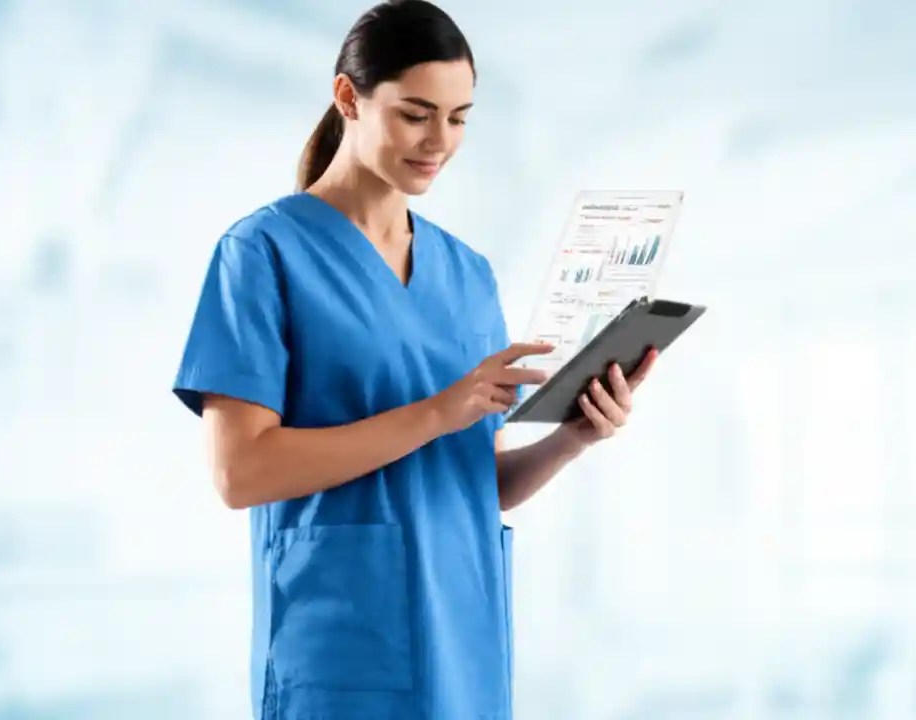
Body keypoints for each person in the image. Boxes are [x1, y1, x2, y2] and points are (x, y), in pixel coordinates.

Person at [170, 1, 658, 718]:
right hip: (341, 643)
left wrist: (571, 438)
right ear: (349, 98)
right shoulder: (263, 253)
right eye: (415, 114)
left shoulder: (468, 275)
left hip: (463, 642)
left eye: (458, 118)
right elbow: (240, 472)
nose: (440, 141)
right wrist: (437, 412)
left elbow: (476, 481)